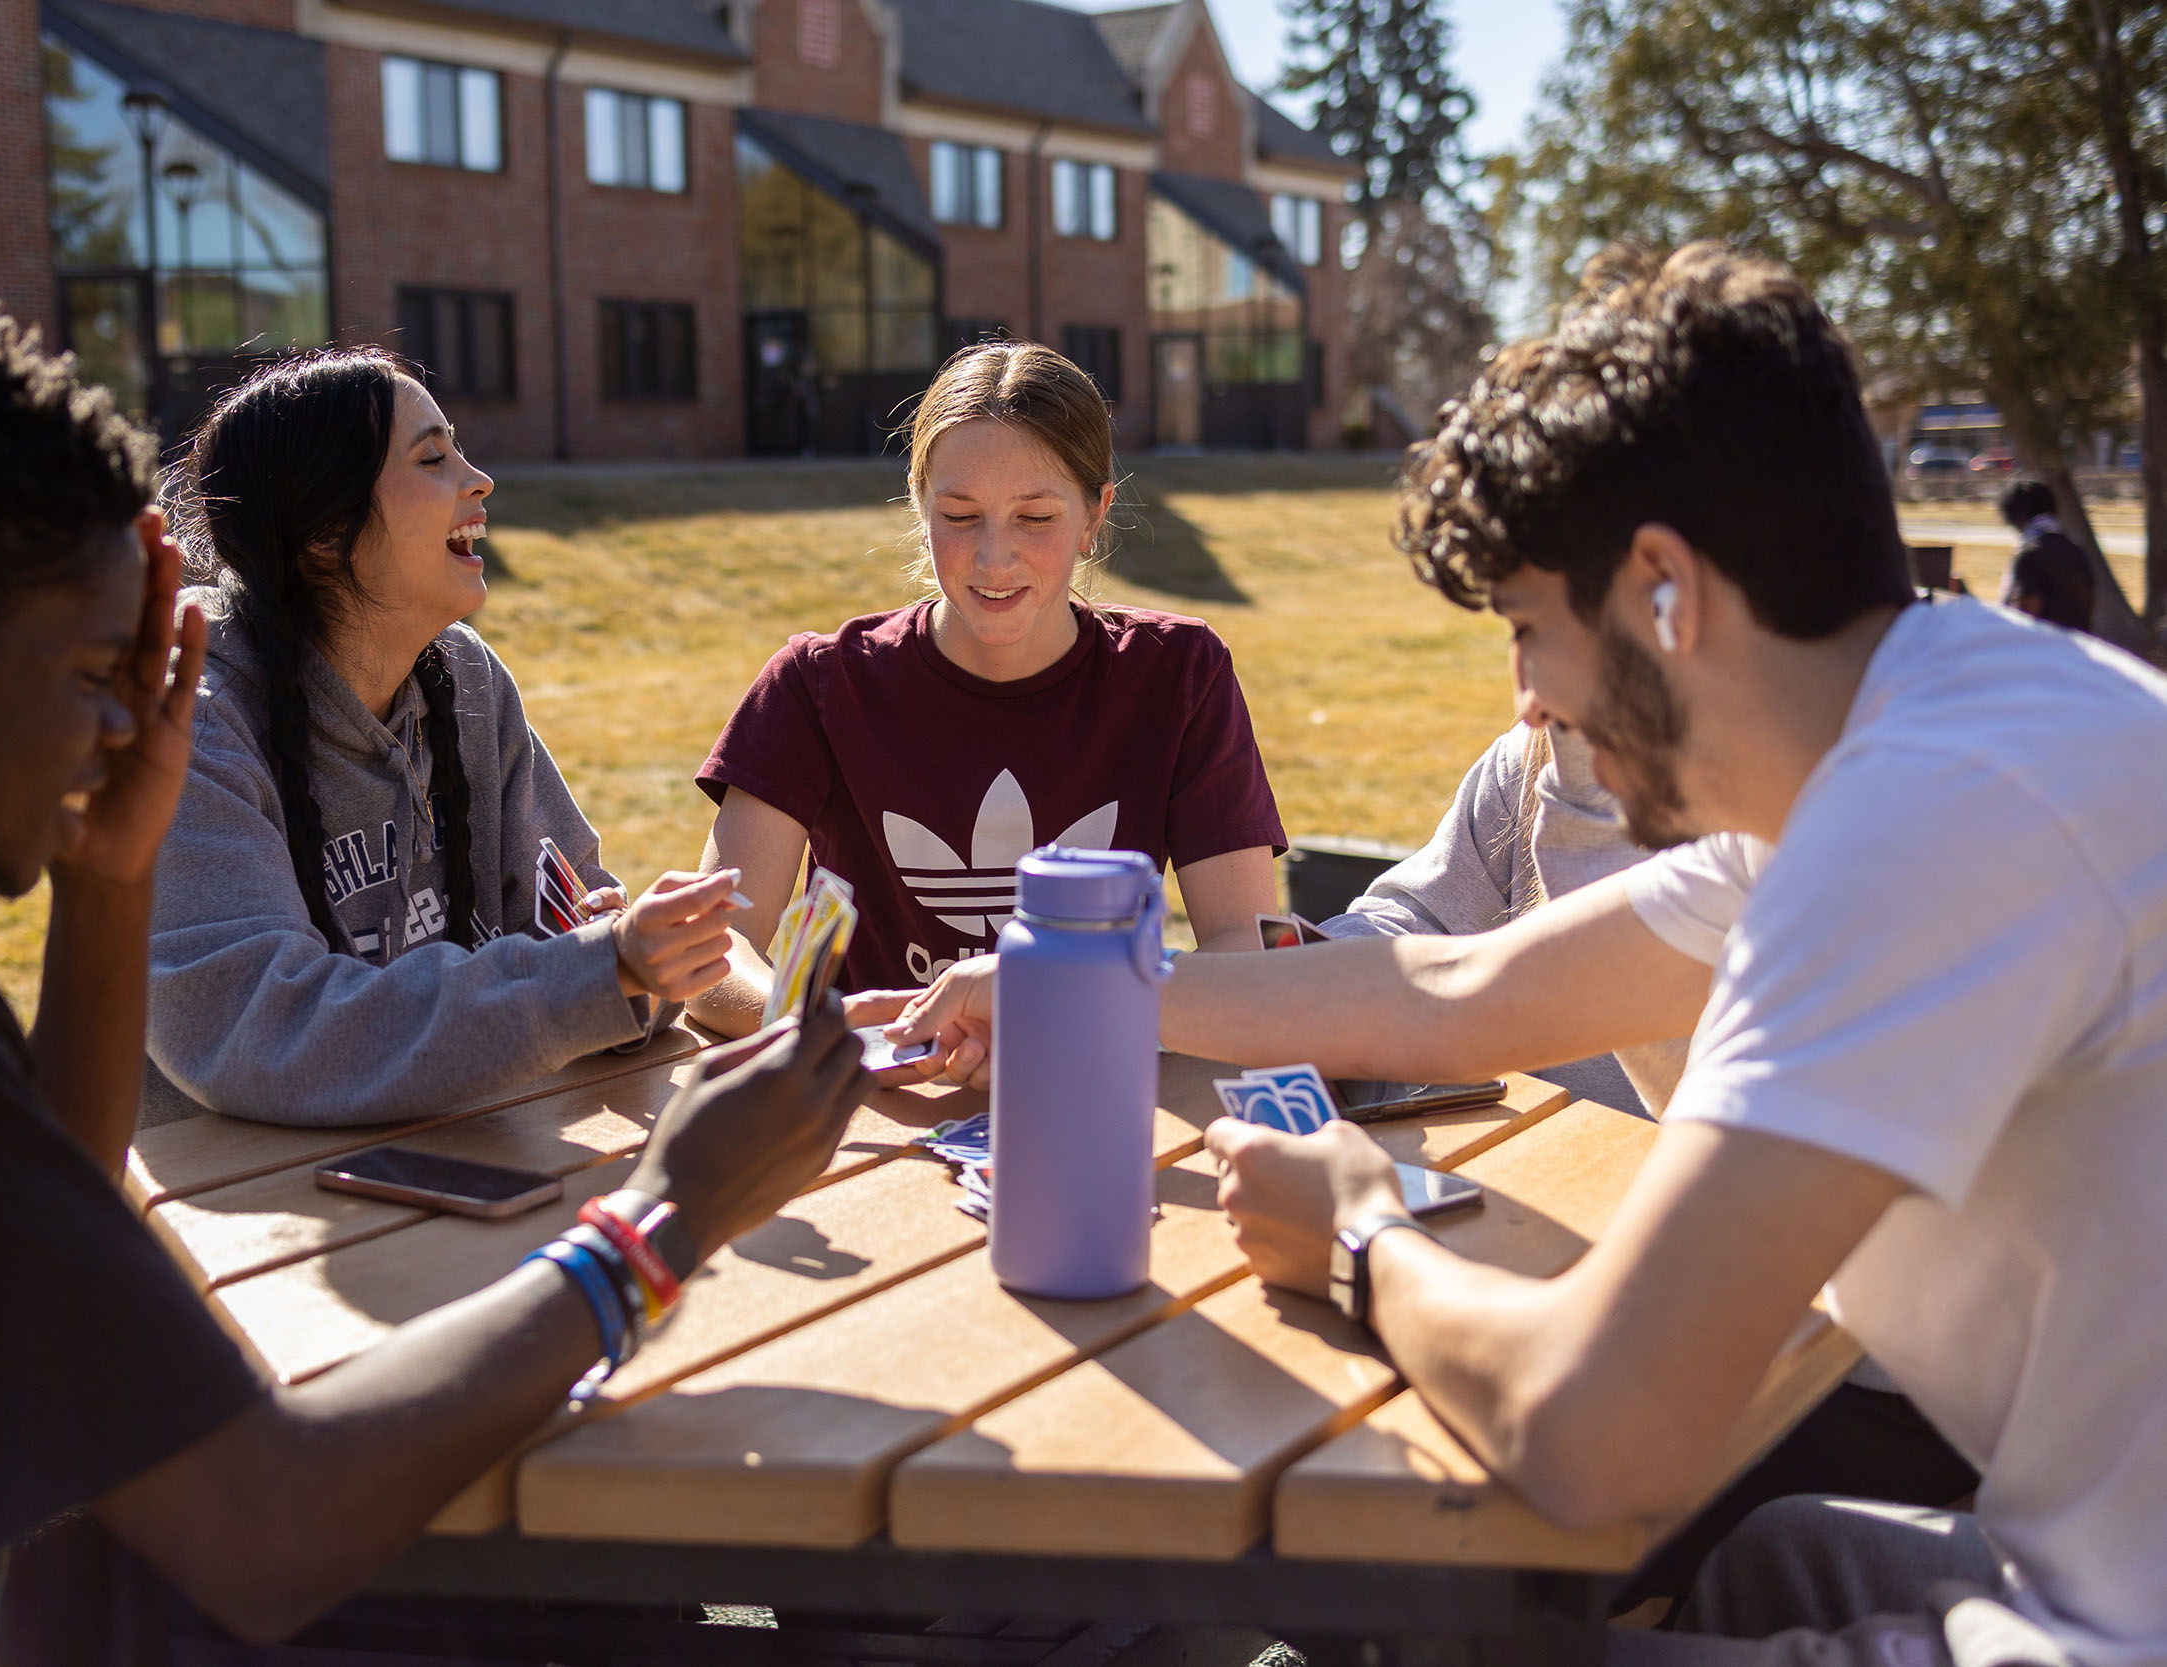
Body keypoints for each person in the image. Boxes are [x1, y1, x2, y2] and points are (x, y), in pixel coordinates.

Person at [900, 244, 2167, 1666]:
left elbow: (1592, 1433)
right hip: (2068, 1558)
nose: (1524, 698)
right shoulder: (1940, 733)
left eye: (1527, 630)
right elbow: (1460, 988)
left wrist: (1364, 1237)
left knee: (1424, 1635)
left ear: (1664, 590)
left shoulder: (1926, 828)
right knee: (1766, 1558)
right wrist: (1076, 989)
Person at [0, 277, 868, 1664]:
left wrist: (111, 884)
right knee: (733, 1617)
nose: (121, 726)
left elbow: (47, 1208)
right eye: (85, 675)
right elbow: (268, 1527)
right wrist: (665, 1215)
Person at [142, 348, 740, 1126]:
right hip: (221, 1210)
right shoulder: (195, 715)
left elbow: (568, 928)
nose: (478, 478)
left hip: (447, 1157)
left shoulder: (466, 681)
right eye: (433, 457)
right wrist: (601, 968)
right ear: (326, 533)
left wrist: (628, 961)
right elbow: (261, 1030)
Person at [685, 341, 1285, 1034]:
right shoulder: (817, 684)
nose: (995, 557)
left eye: (1035, 518)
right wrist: (836, 1027)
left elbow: (1244, 946)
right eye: (961, 516)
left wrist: (1064, 1006)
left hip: (1091, 1081)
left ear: (1095, 516)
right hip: (874, 1098)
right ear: (921, 508)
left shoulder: (1180, 673)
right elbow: (715, 952)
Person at [1319, 721, 1684, 1118]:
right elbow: (1421, 918)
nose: (1526, 695)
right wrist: (1318, 981)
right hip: (1524, 1155)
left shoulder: (1747, 826)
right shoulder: (1535, 753)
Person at [1995, 479, 2097, 633]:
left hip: (2042, 650)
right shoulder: (2074, 549)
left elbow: (2026, 617)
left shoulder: (2030, 554)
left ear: (2017, 516)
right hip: (2077, 648)